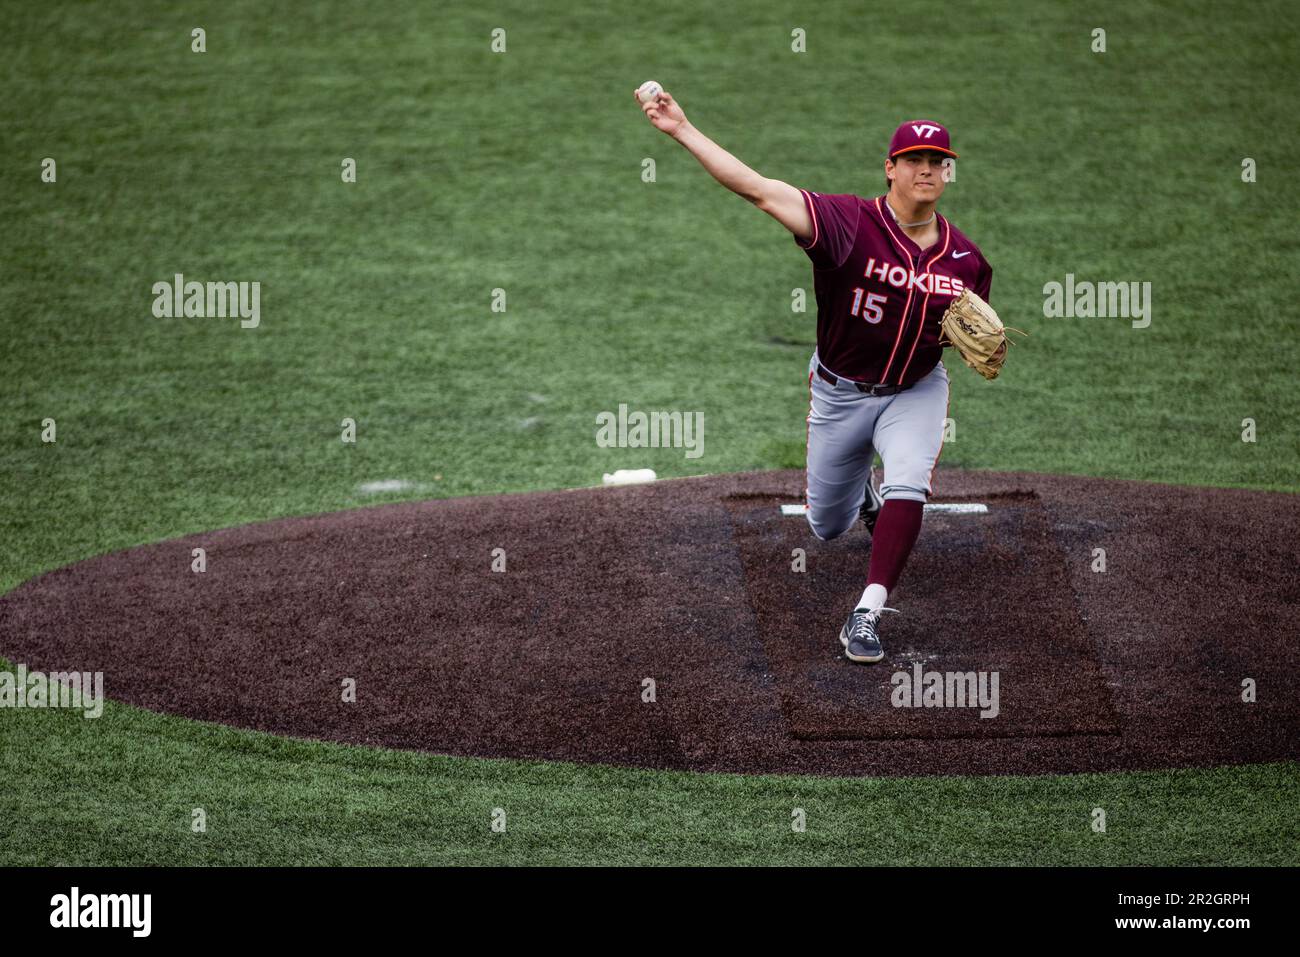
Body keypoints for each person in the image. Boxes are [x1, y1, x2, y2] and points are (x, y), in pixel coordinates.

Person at [635, 88, 992, 663]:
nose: (927, 170)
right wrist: (682, 129)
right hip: (840, 394)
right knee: (827, 524)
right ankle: (863, 501)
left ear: (947, 173)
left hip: (916, 392)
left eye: (937, 162)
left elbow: (965, 335)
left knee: (911, 481)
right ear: (891, 168)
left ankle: (867, 612)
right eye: (914, 160)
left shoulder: (968, 262)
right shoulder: (848, 222)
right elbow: (758, 189)